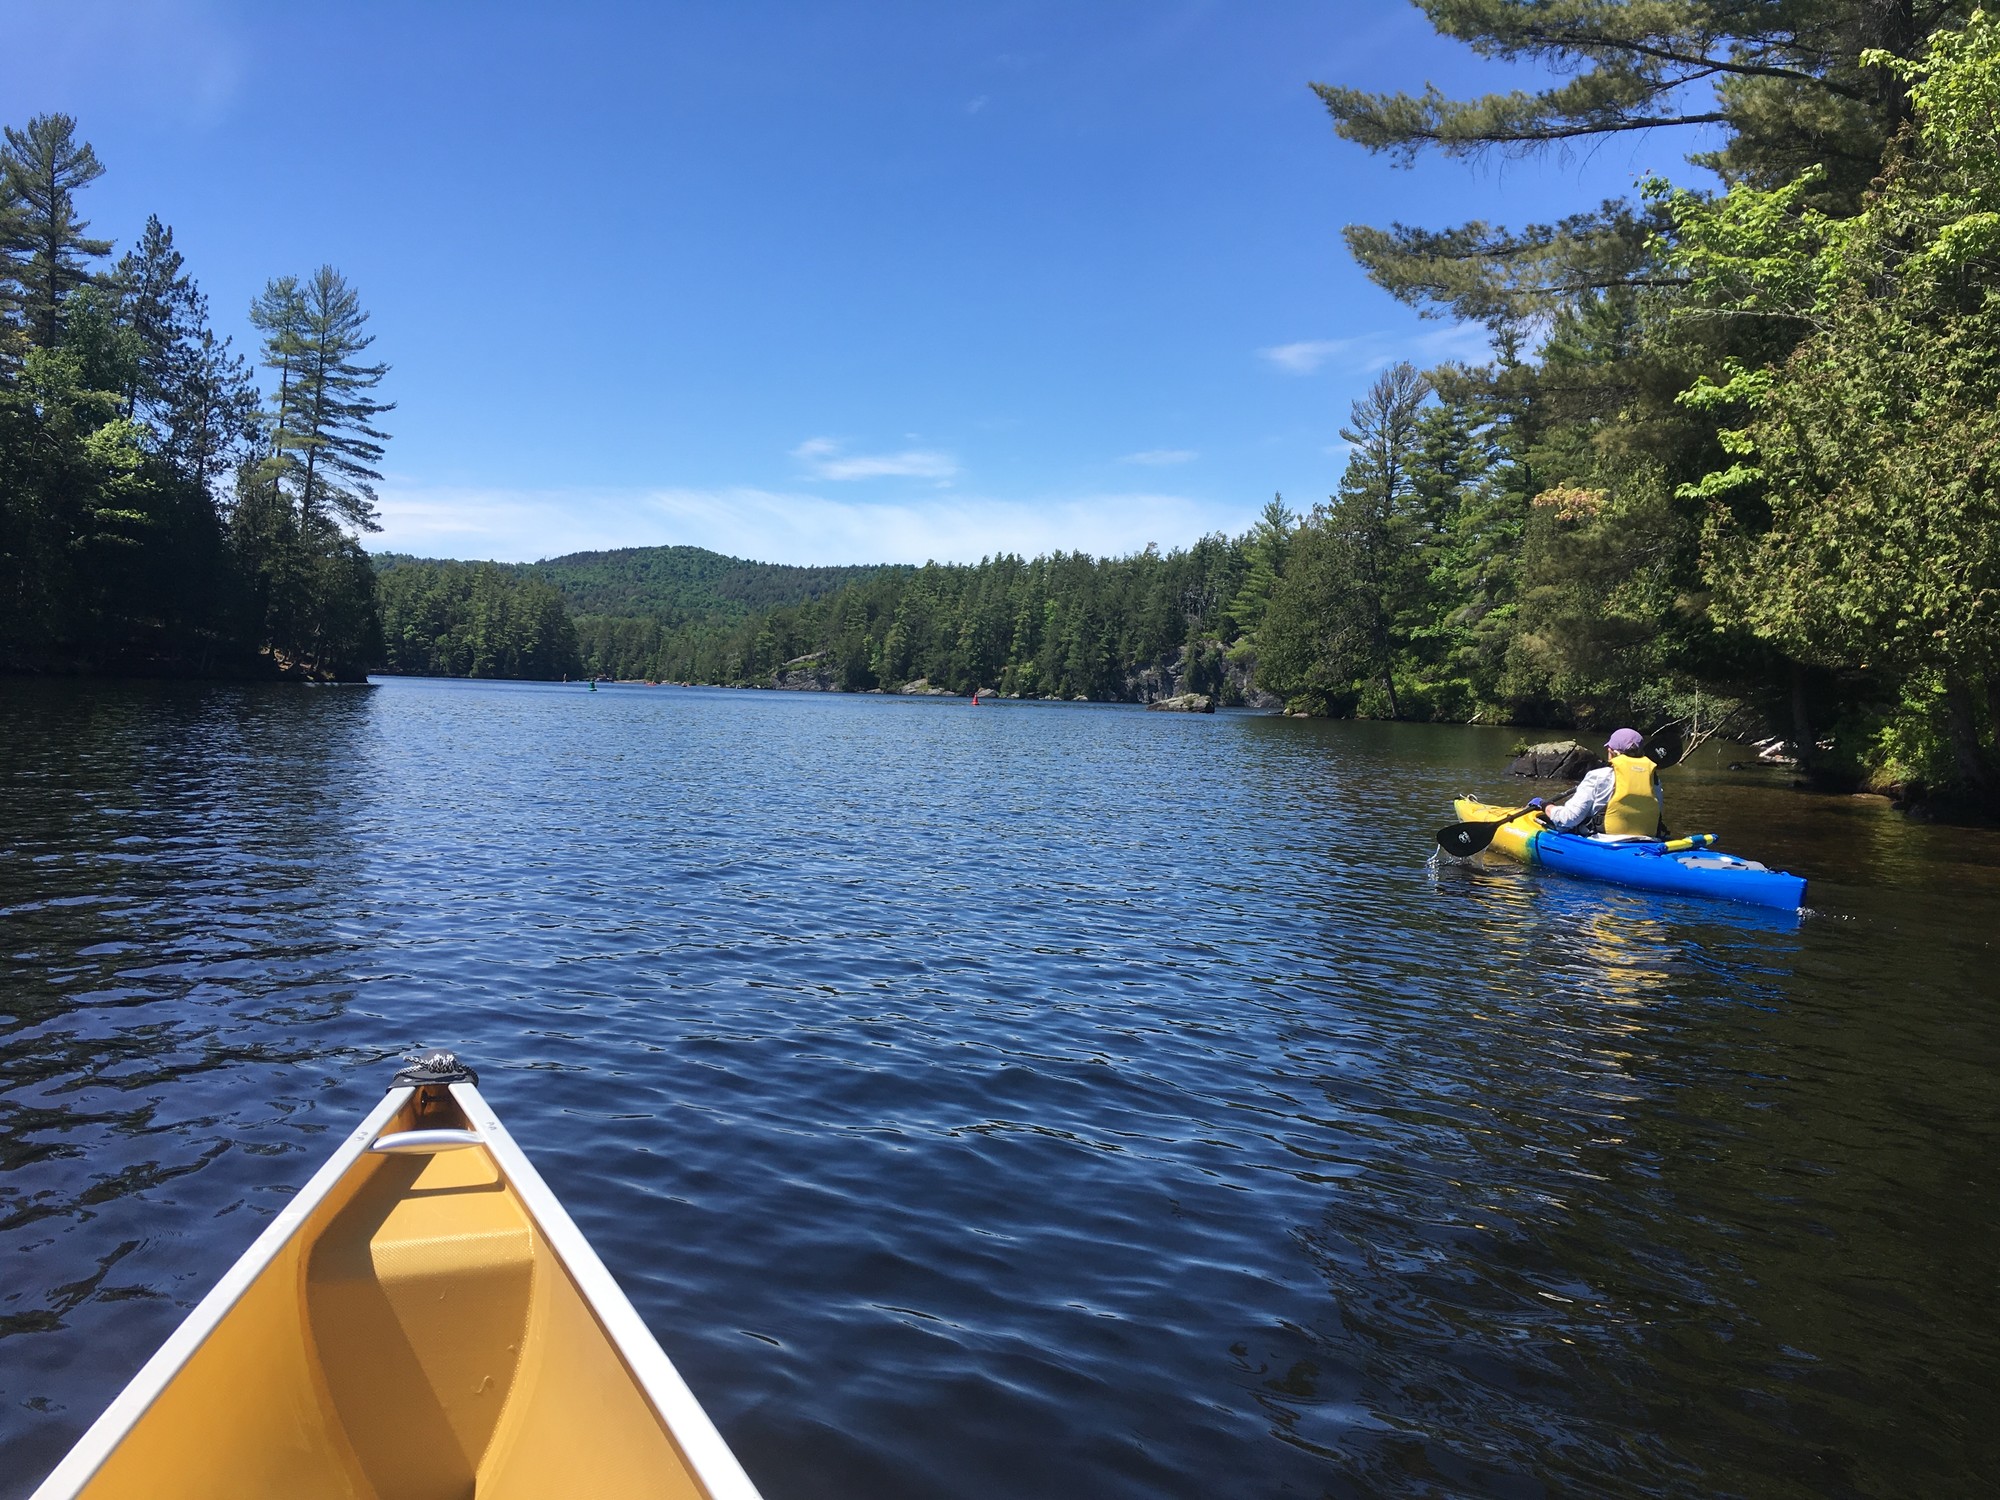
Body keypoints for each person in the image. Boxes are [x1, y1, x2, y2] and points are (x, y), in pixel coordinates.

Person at [1528, 728, 1663, 838]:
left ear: (1612, 753)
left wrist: (1545, 805)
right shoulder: (1654, 780)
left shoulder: (1598, 776)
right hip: (1648, 841)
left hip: (1605, 842)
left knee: (1564, 824)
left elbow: (1569, 818)